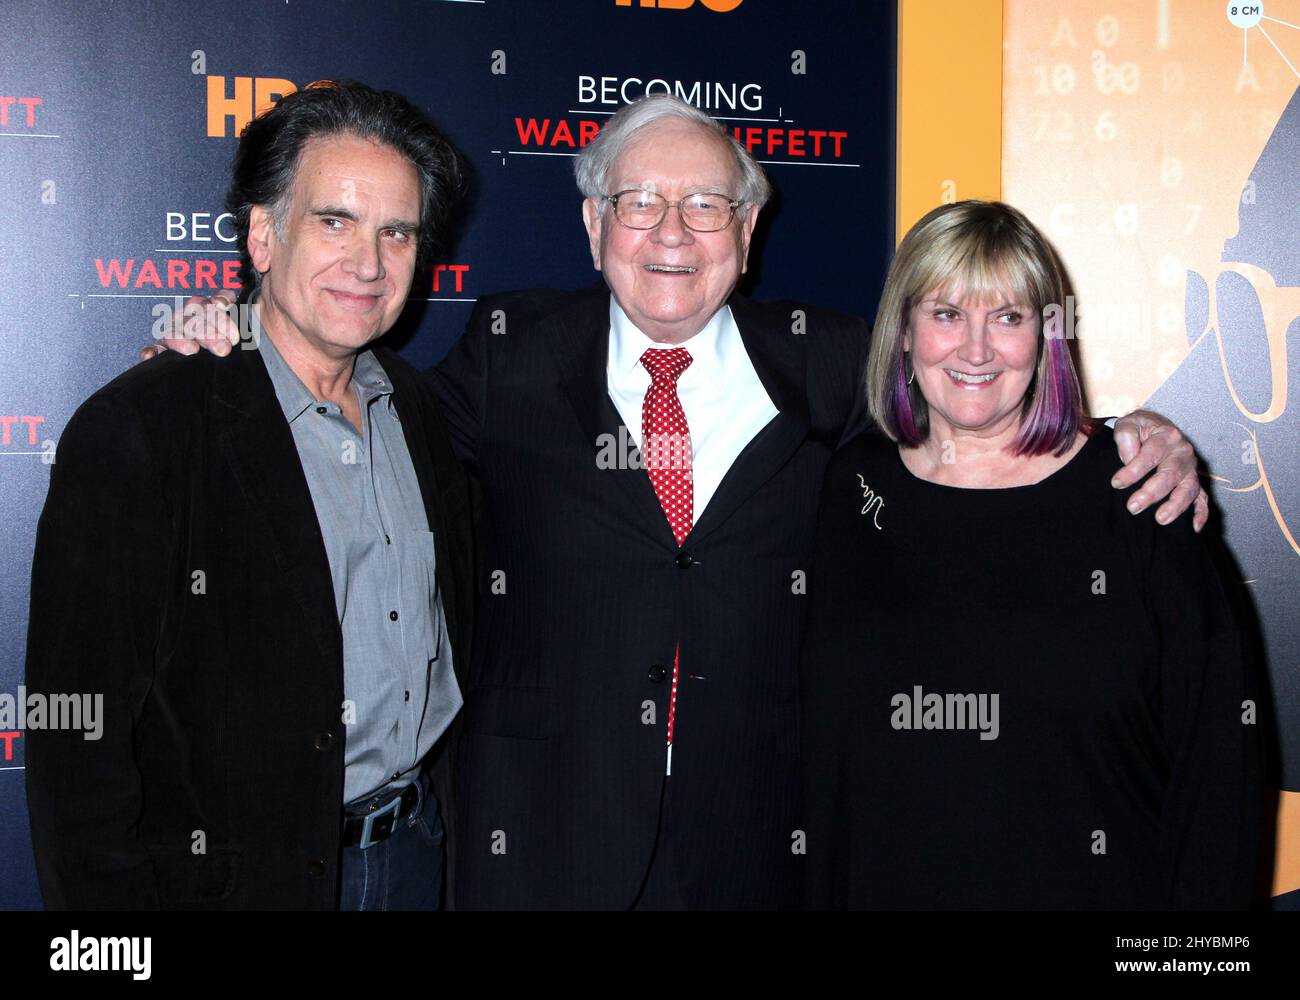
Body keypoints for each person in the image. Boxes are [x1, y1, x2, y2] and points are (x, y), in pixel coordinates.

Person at [151, 95, 1206, 910]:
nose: (671, 231)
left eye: (705, 204)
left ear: (746, 231)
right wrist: (242, 337)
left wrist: (1131, 435)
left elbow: (975, 412)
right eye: (637, 202)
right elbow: (359, 401)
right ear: (591, 223)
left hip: (755, 842)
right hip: (542, 842)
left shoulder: (827, 360)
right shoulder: (509, 352)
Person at [26, 80, 475, 910]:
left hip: (417, 859)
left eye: (396, 232)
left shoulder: (420, 412)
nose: (368, 263)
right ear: (263, 236)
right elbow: (73, 743)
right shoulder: (142, 431)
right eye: (333, 221)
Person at [800, 201, 1262, 910]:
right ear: (903, 332)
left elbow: (1218, 768)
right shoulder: (853, 486)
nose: (976, 350)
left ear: (1047, 338)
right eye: (946, 313)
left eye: (1008, 318)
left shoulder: (1140, 493)